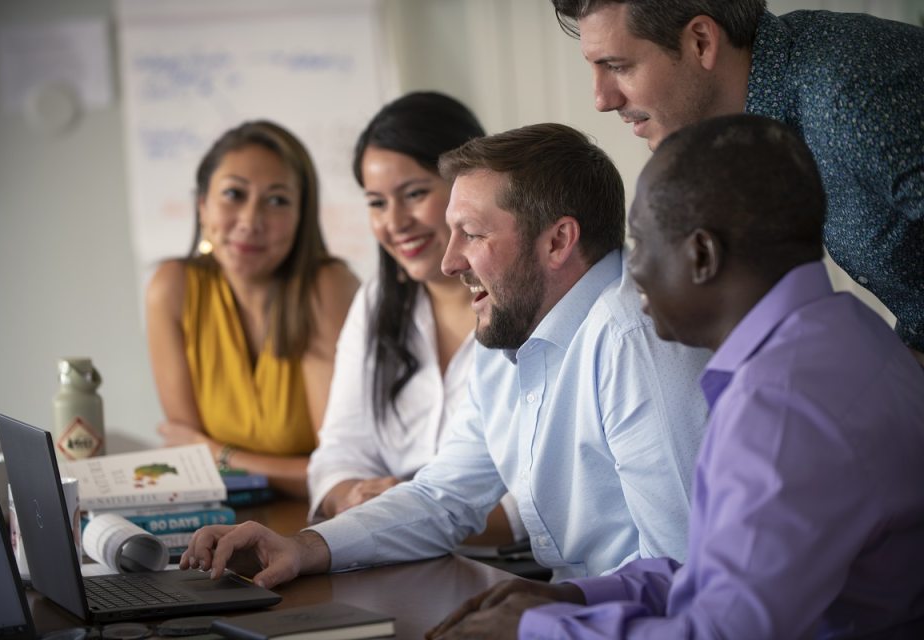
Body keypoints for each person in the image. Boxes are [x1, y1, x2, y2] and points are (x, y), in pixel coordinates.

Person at [428, 114, 924, 639]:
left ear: (701, 255)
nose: (630, 271)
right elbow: (714, 577)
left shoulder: (779, 404)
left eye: (640, 244)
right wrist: (574, 596)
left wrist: (537, 631)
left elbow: (722, 633)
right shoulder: (850, 331)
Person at [179, 122, 710, 587]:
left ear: (557, 242)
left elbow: (683, 571)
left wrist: (549, 608)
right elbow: (441, 497)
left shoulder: (634, 339)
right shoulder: (507, 334)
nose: (451, 260)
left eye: (472, 235)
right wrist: (305, 547)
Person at [549, 0, 924, 365]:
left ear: (701, 41)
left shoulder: (847, 96)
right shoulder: (768, 121)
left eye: (617, 65)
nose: (601, 99)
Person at [307, 91, 523, 543]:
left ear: (469, 186)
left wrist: (414, 509)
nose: (395, 221)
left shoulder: (528, 299)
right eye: (376, 203)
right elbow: (338, 451)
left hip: (512, 569)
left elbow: (543, 495)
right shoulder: (377, 301)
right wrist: (357, 500)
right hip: (388, 545)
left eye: (415, 194)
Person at [145, 120, 359, 498]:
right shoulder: (172, 288)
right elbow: (189, 463)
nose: (250, 221)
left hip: (320, 525)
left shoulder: (326, 287)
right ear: (202, 207)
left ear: (301, 216)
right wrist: (208, 457)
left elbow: (340, 475)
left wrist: (218, 454)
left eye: (277, 200)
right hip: (223, 521)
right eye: (233, 194)